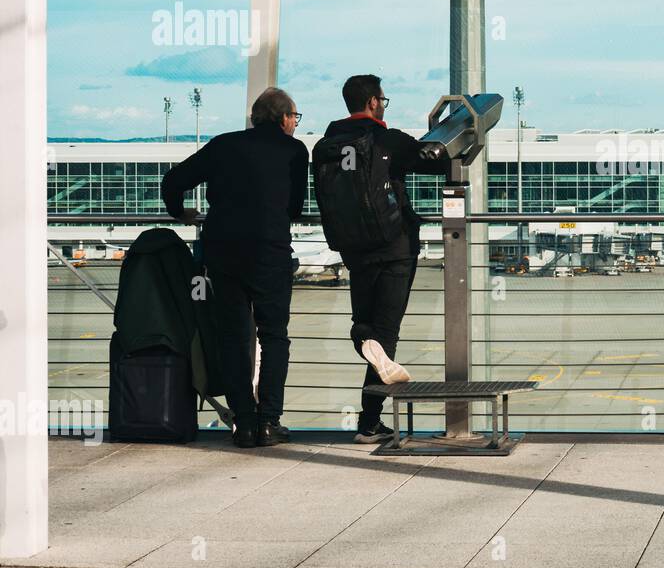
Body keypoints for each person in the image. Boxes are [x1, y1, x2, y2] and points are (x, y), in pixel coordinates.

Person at [162, 87, 308, 448]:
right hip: (269, 252)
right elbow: (295, 208)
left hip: (223, 253)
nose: (295, 123)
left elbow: (173, 181)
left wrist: (180, 213)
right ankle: (269, 421)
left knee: (233, 337)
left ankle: (243, 423)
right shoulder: (294, 151)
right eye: (295, 117)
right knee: (274, 336)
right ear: (283, 118)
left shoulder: (223, 145)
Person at [317, 74, 449, 444]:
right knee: (386, 333)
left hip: (354, 248)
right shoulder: (386, 140)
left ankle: (363, 342)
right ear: (374, 102)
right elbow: (439, 162)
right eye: (383, 100)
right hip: (394, 248)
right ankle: (369, 423)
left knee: (365, 323)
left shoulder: (327, 142)